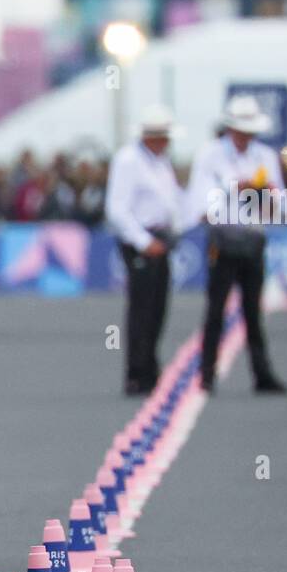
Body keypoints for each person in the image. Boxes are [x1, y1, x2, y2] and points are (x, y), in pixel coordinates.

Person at [186, 95, 287, 395]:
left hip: (253, 237)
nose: (246, 136)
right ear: (230, 129)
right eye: (241, 130)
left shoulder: (266, 156)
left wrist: (267, 194)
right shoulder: (210, 155)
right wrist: (235, 187)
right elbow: (201, 201)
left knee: (253, 310)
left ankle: (262, 373)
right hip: (223, 239)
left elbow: (280, 200)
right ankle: (207, 373)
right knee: (215, 308)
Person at [104, 104, 185, 396]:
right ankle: (136, 373)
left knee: (158, 307)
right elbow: (117, 209)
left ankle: (151, 369)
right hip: (141, 243)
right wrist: (143, 241)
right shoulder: (128, 161)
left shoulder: (161, 162)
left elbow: (171, 200)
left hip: (161, 240)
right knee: (141, 308)